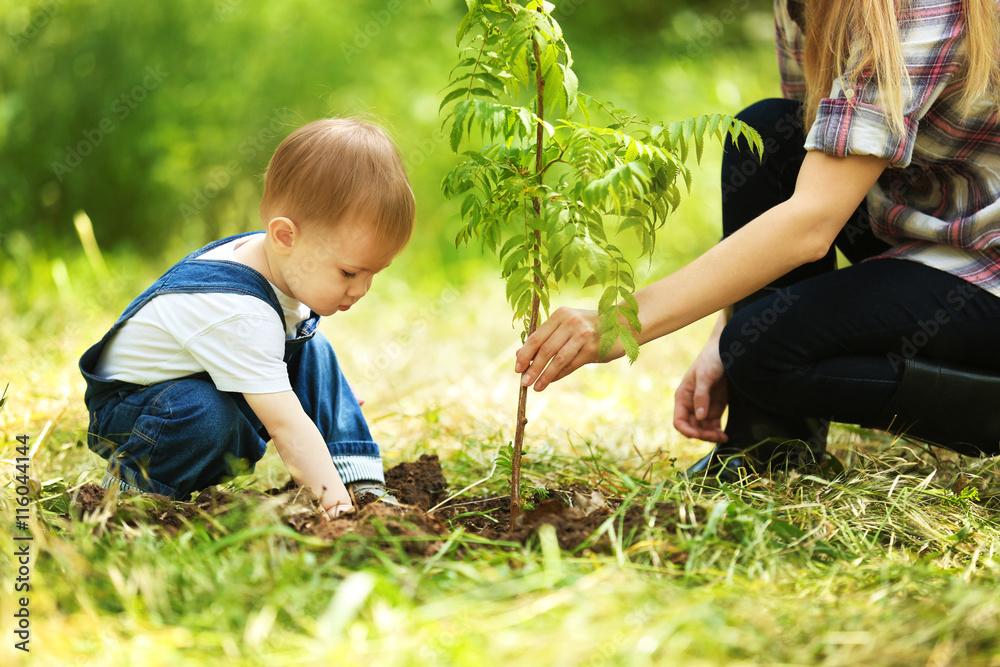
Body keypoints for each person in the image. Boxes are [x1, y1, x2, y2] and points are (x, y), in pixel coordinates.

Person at [514, 0, 1000, 477]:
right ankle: (766, 450)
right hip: (927, 230)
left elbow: (811, 223)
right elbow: (813, 163)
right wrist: (726, 325)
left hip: (989, 268)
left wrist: (623, 322)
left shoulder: (920, 9)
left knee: (759, 353)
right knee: (767, 131)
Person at [79, 118, 415, 516]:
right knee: (206, 415)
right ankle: (129, 497)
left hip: (189, 385)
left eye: (374, 273)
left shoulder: (278, 262)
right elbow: (287, 428)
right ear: (285, 236)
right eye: (349, 272)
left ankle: (358, 479)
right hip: (136, 415)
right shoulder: (238, 312)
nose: (362, 289)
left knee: (313, 349)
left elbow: (291, 356)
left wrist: (324, 395)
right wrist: (333, 506)